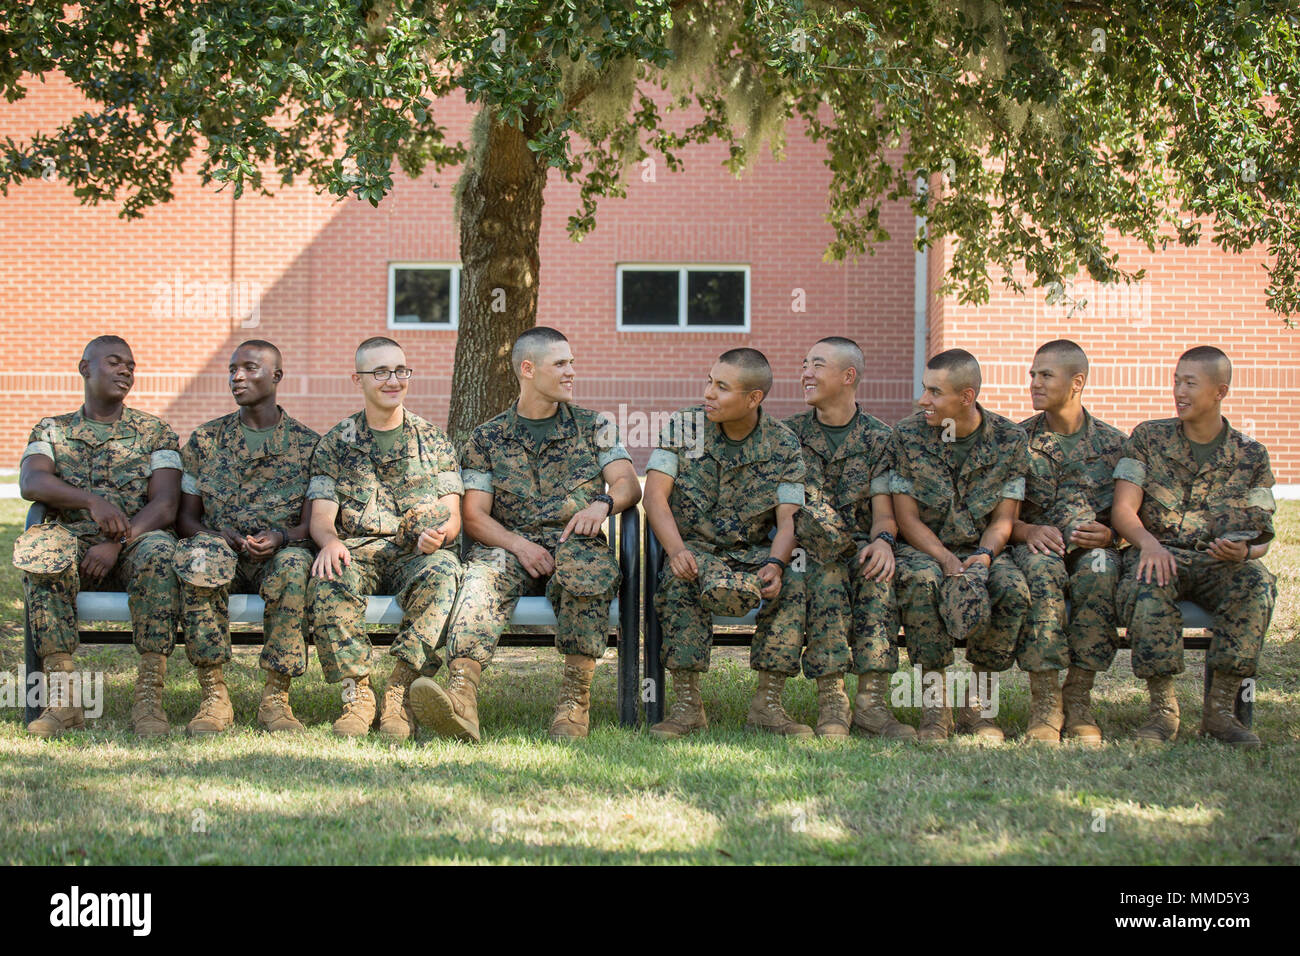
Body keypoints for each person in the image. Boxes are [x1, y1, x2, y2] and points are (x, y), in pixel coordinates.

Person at [410, 328, 641, 742]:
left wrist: (602, 505)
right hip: (509, 547)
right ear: (528, 369)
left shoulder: (596, 427)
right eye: (561, 364)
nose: (571, 372)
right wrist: (520, 545)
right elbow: (475, 516)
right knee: (480, 579)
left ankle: (574, 704)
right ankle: (462, 697)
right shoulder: (487, 438)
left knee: (587, 573)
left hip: (575, 545)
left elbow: (627, 482)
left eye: (572, 362)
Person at [15, 336, 181, 737]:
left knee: (161, 551)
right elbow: (32, 480)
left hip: (135, 543)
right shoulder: (53, 430)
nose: (126, 371)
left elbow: (165, 505)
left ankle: (148, 699)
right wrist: (92, 502)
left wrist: (117, 543)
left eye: (131, 365)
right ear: (85, 368)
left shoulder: (154, 432)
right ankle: (63, 698)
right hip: (73, 543)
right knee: (42, 548)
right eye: (114, 362)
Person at [1111, 346, 1277, 747]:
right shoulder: (1148, 437)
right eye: (1176, 380)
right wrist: (1149, 545)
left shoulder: (1251, 455)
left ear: (1219, 391)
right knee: (1148, 583)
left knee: (1255, 584)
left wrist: (1245, 553)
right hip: (1158, 552)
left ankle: (1220, 712)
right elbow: (1122, 510)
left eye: (1190, 383)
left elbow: (1261, 536)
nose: (1179, 391)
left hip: (1219, 563)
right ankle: (1162, 712)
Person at [643, 348, 809, 738]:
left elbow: (789, 520)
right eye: (709, 381)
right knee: (680, 580)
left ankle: (768, 705)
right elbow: (654, 497)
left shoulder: (783, 445)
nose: (708, 393)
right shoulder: (686, 425)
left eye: (722, 387)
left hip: (752, 554)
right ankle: (687, 707)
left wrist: (777, 564)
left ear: (754, 398)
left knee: (794, 584)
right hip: (694, 550)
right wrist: (676, 550)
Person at [306, 337, 464, 738]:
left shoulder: (434, 441)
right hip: (357, 551)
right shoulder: (335, 444)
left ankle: (400, 690)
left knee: (445, 572)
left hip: (415, 554)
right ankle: (357, 694)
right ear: (357, 379)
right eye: (380, 372)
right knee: (329, 576)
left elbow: (453, 516)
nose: (393, 380)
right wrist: (330, 541)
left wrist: (440, 537)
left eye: (400, 371)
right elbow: (321, 518)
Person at [175, 340, 318, 735]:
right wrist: (216, 535)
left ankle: (276, 699)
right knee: (199, 557)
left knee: (293, 566)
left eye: (250, 368)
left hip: (278, 555)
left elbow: (312, 525)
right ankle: (214, 697)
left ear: (277, 376)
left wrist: (281, 536)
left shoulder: (308, 446)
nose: (237, 377)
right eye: (232, 369)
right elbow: (185, 519)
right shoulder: (206, 441)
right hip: (223, 554)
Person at [890, 348, 1030, 742]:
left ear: (966, 397)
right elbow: (908, 519)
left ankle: (978, 706)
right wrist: (947, 559)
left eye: (934, 392)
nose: (923, 401)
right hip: (925, 548)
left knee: (1012, 590)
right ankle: (935, 707)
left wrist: (983, 558)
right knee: (920, 582)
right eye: (924, 389)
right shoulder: (909, 436)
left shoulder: (1010, 440)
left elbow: (1004, 518)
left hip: (984, 548)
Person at [784, 337, 913, 739]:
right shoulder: (789, 436)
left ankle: (872, 704)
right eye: (804, 364)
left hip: (859, 548)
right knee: (826, 574)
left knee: (877, 575)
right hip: (805, 551)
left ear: (848, 376)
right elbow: (787, 512)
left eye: (817, 366)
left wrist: (882, 543)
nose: (806, 373)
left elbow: (884, 513)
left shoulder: (880, 438)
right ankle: (833, 703)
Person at [1010, 340, 1126, 745]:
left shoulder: (1115, 446)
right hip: (1034, 548)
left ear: (1076, 382)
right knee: (1041, 576)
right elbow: (995, 517)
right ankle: (1045, 702)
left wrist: (1112, 534)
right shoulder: (1015, 440)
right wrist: (1027, 531)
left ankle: (1078, 698)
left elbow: (1134, 517)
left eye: (1045, 375)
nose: (1034, 383)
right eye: (1032, 374)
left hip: (1092, 549)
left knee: (1102, 569)